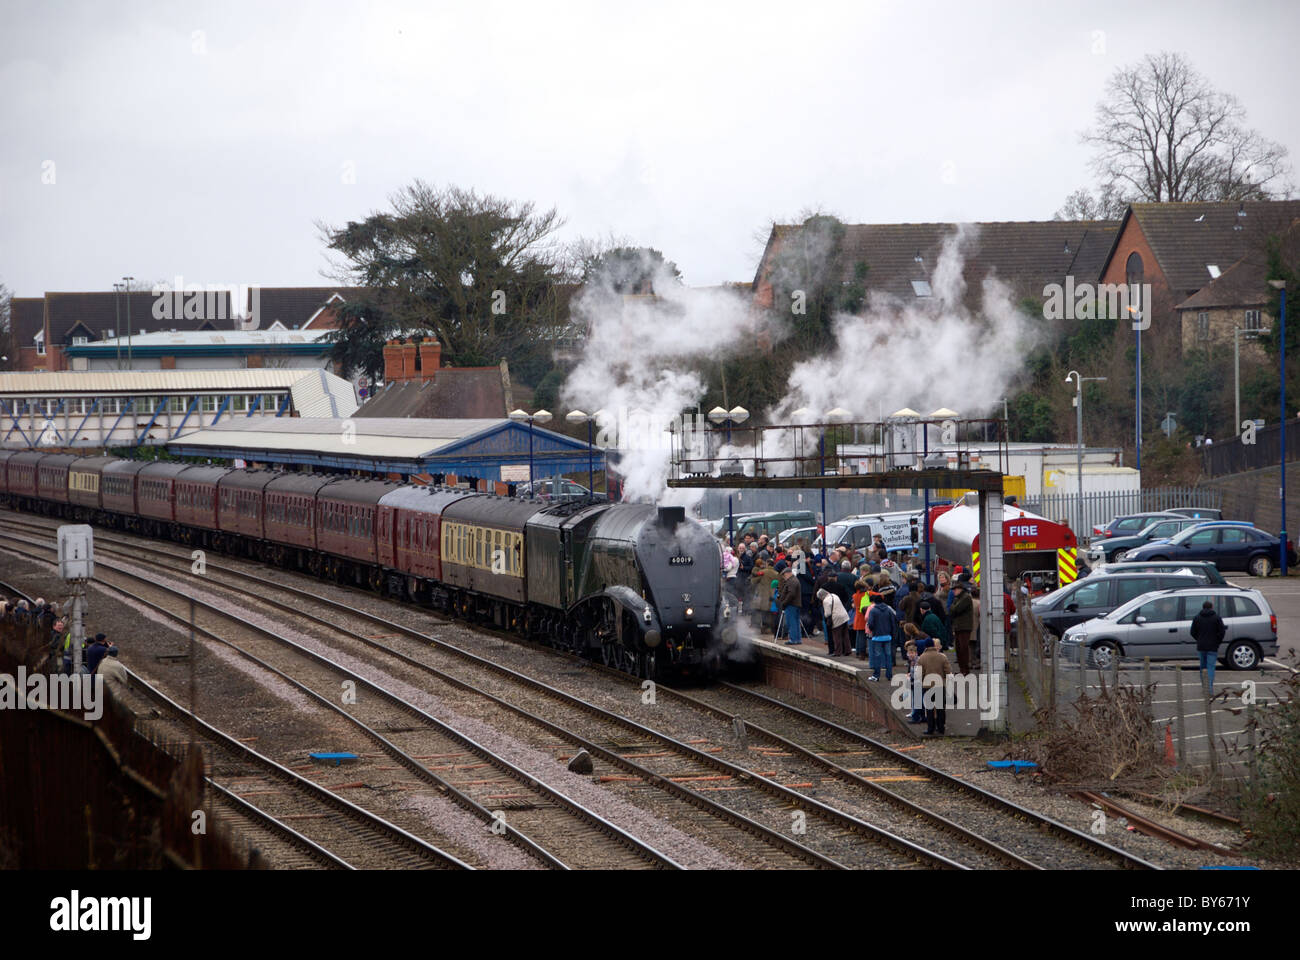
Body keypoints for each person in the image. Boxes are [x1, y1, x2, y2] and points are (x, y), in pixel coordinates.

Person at [1190, 600, 1226, 692]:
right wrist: (1217, 642)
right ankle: (1209, 689)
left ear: (1202, 607)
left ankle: (1204, 687)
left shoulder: (1197, 618)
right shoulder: (1217, 618)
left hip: (1201, 646)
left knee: (1202, 667)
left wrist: (1199, 639)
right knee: (1210, 667)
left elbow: (1192, 632)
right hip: (1213, 647)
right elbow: (1222, 632)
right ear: (1212, 607)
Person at [918, 639, 952, 735]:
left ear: (925, 646)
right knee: (940, 708)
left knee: (929, 709)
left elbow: (919, 674)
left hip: (927, 687)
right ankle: (941, 728)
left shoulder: (922, 658)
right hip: (939, 686)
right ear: (933, 645)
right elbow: (948, 671)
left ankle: (930, 729)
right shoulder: (941, 657)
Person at [866, 590, 899, 681]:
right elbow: (893, 622)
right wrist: (892, 633)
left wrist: (873, 630)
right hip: (888, 636)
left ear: (875, 601)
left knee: (877, 656)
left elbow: (871, 623)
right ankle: (889, 675)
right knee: (888, 656)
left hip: (877, 637)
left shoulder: (873, 611)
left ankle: (876, 676)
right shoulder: (888, 610)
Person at [949, 580, 974, 673]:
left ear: (960, 589)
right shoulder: (958, 598)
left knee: (963, 648)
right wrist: (953, 607)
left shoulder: (965, 598)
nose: (953, 591)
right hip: (958, 626)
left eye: (955, 589)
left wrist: (953, 607)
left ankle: (965, 670)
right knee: (959, 649)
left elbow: (956, 609)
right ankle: (962, 669)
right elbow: (951, 610)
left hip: (964, 627)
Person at [818, 587, 852, 657]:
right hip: (844, 616)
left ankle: (837, 652)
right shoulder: (834, 595)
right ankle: (848, 650)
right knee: (845, 634)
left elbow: (827, 613)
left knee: (837, 636)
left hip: (837, 618)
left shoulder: (826, 601)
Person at [777, 562, 802, 645]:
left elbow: (791, 594)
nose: (784, 577)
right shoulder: (794, 580)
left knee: (791, 623)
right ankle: (797, 639)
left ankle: (793, 639)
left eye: (784, 575)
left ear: (788, 573)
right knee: (796, 622)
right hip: (795, 604)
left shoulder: (791, 581)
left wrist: (784, 602)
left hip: (791, 605)